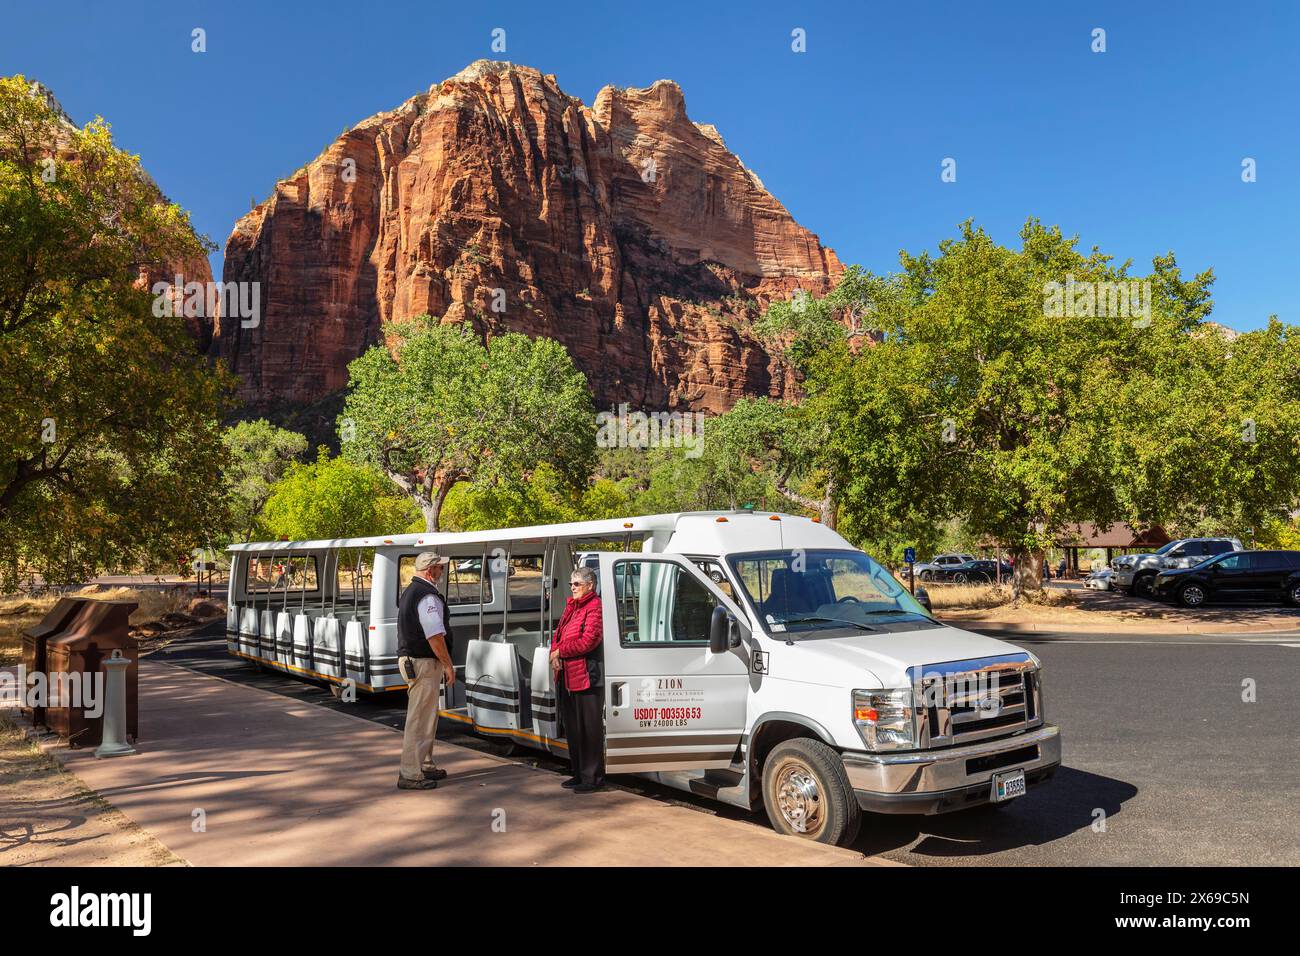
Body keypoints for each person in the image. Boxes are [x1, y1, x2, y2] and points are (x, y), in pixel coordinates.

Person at [396, 552, 456, 790]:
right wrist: (448, 664)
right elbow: (435, 636)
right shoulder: (427, 596)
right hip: (423, 662)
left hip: (414, 660)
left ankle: (425, 764)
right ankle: (410, 773)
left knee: (427, 716)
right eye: (440, 568)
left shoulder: (411, 591)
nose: (442, 571)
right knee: (420, 718)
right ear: (431, 570)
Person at [550, 566, 604, 792]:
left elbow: (589, 640)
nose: (572, 587)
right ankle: (578, 772)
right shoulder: (572, 606)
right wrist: (554, 653)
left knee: (589, 729)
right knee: (572, 727)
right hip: (567, 675)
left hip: (587, 676)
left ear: (590, 586)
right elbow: (558, 635)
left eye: (577, 584)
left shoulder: (596, 606)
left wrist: (560, 652)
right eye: (571, 583)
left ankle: (592, 778)